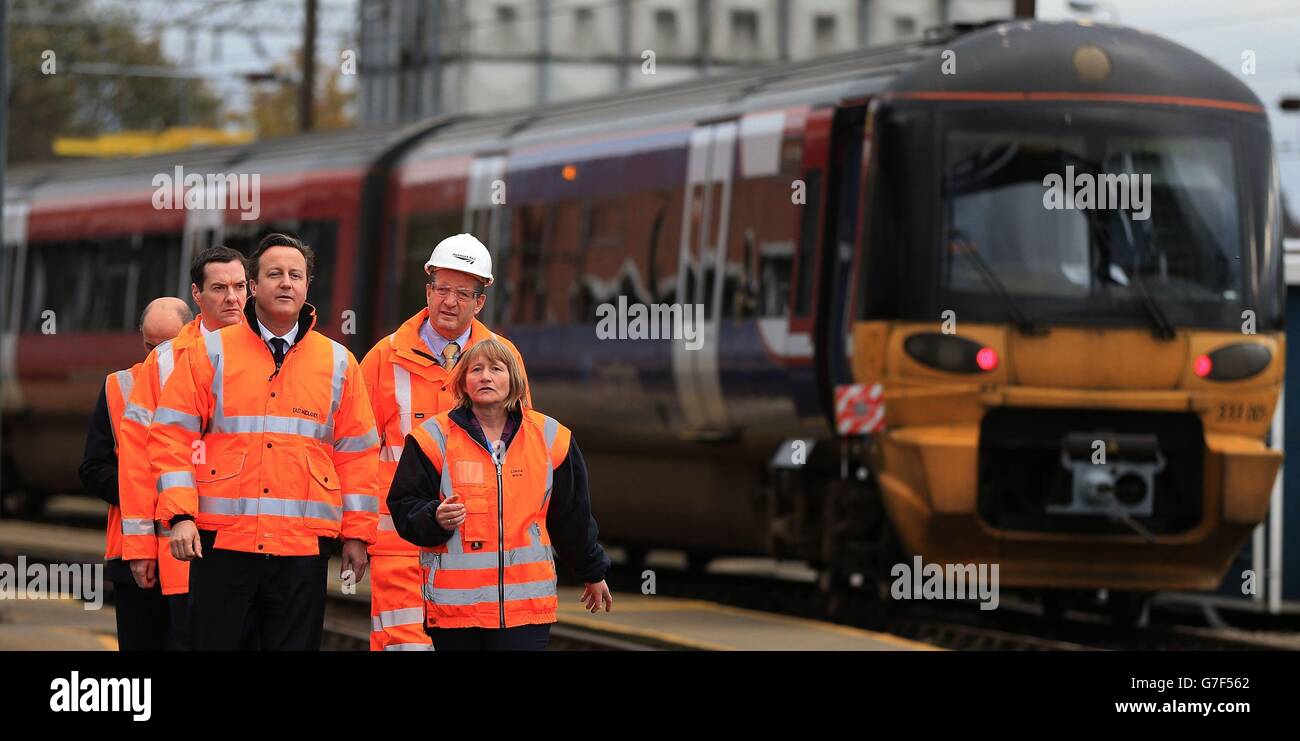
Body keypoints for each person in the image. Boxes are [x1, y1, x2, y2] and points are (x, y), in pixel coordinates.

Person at [148, 233, 380, 650]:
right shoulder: (210, 353)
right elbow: (171, 436)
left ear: (308, 286)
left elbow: (358, 453)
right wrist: (180, 515)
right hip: (221, 545)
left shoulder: (338, 363)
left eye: (296, 275)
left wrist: (358, 535)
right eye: (275, 274)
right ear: (254, 286)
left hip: (301, 550)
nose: (286, 283)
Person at [360, 233, 531, 651]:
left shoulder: (503, 359)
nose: (449, 302)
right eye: (441, 289)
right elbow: (354, 450)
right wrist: (353, 532)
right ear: (427, 290)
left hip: (474, 551)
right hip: (400, 543)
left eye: (462, 292)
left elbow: (522, 452)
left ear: (480, 301)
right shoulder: (385, 357)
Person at [388, 338, 612, 651]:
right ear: (464, 382)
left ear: (515, 381)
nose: (485, 376)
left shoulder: (552, 439)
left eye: (496, 368)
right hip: (457, 612)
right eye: (476, 369)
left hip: (525, 609)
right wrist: (434, 517)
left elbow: (572, 515)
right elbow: (403, 506)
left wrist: (593, 571)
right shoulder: (431, 439)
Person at [118, 246, 250, 650]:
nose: (232, 298)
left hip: (255, 548)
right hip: (185, 551)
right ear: (197, 293)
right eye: (219, 287)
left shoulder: (273, 353)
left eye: (241, 286)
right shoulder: (164, 362)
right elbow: (139, 458)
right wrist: (141, 545)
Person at [79, 296, 190, 651]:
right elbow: (93, 468)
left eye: (167, 345)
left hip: (189, 556)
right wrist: (138, 488)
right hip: (132, 555)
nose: (157, 355)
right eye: (150, 345)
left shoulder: (207, 386)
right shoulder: (119, 387)